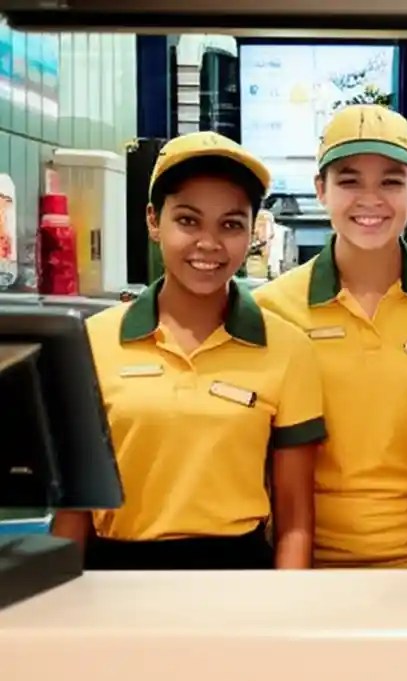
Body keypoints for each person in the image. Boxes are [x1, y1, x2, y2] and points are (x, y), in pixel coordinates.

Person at [50, 132, 326, 570]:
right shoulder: (92, 343)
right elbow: (74, 507)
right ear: (153, 220)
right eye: (189, 221)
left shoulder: (288, 349)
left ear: (252, 233)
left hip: (237, 574)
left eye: (231, 224)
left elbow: (295, 518)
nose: (209, 243)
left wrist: (282, 612)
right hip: (114, 576)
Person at [255, 104, 407, 569]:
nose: (370, 199)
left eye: (390, 181)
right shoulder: (273, 307)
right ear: (320, 189)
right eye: (349, 180)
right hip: (306, 560)